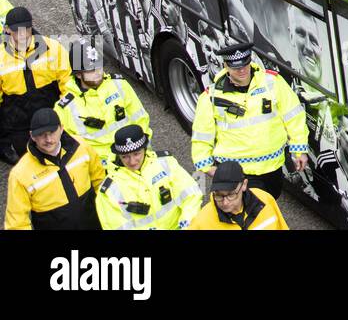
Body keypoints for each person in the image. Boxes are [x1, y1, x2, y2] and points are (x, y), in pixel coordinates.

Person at [190, 40, 309, 198]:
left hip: (272, 168)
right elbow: (201, 134)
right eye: (236, 67)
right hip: (236, 174)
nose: (242, 71)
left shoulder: (273, 83)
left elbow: (294, 116)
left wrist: (299, 149)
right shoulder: (210, 97)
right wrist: (206, 166)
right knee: (251, 215)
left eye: (244, 65)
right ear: (226, 66)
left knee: (268, 207)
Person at [5, 108, 105, 230]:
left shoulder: (81, 146)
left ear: (61, 128)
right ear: (32, 136)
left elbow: (100, 183)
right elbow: (17, 224)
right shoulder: (20, 174)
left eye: (52, 132)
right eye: (41, 134)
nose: (48, 139)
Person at [0, 6, 77, 164]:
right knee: (32, 163)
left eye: (26, 29)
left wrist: (65, 114)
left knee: (62, 158)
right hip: (19, 125)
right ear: (7, 30)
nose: (22, 34)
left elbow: (67, 83)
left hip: (52, 117)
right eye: (17, 31)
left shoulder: (53, 48)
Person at [54, 40, 150, 166]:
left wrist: (141, 149)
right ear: (78, 74)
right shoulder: (64, 108)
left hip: (133, 154)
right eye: (91, 70)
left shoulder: (119, 84)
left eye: (98, 67)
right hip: (102, 167)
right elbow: (72, 148)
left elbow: (141, 119)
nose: (98, 73)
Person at [95, 124, 202, 230]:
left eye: (136, 154)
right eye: (125, 157)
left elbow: (191, 194)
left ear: (145, 149)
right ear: (118, 155)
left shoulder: (165, 163)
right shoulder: (109, 191)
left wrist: (187, 225)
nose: (132, 161)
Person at [188, 160, 290, 230]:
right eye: (219, 195)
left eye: (231, 194)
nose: (225, 202)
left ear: (244, 185)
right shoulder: (202, 222)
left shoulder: (265, 199)